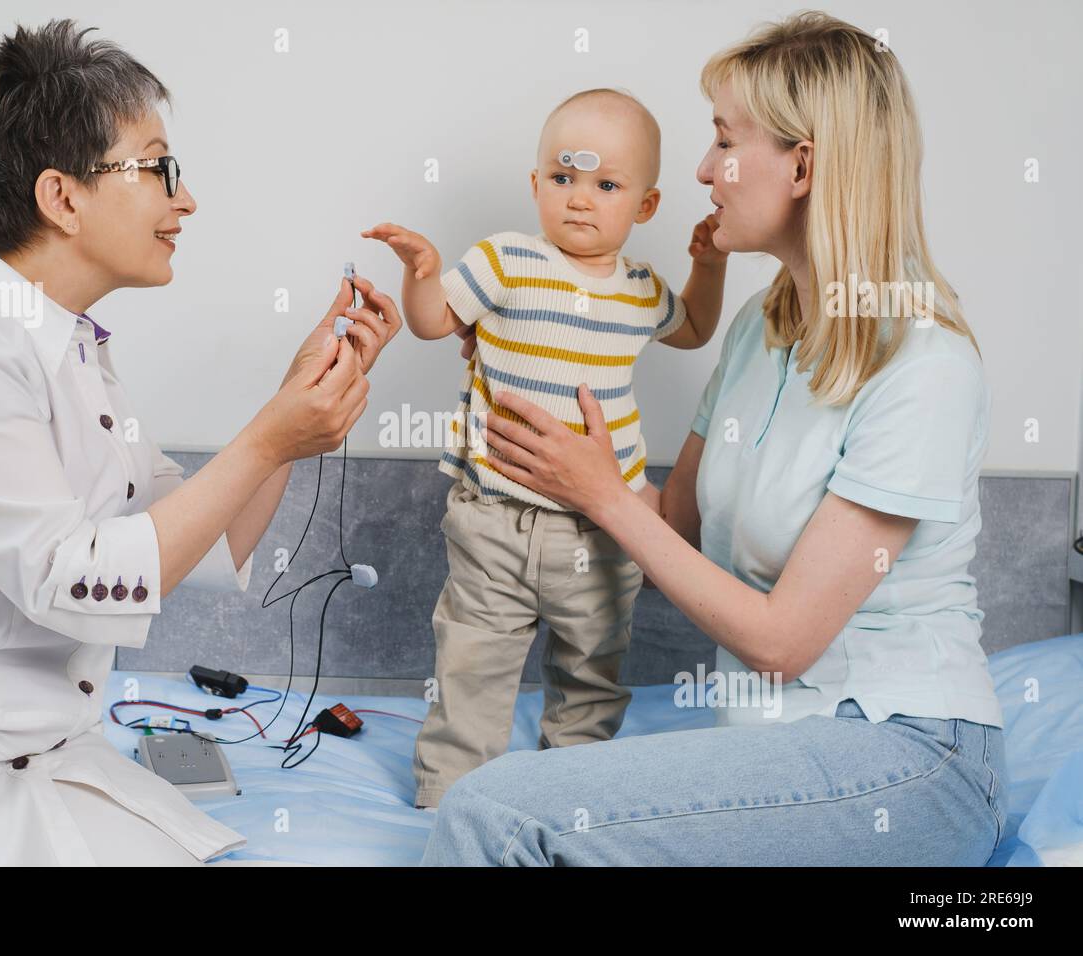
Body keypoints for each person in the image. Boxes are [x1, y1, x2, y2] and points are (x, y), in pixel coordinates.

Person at [0, 19, 401, 866]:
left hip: (24, 758)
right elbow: (74, 584)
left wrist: (289, 415)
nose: (185, 200)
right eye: (158, 168)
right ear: (62, 196)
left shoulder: (66, 344)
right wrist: (269, 438)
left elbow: (198, 541)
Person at [420, 10, 1008, 866]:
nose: (702, 170)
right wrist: (539, 426)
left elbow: (780, 643)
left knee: (499, 813)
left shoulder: (924, 362)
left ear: (803, 165)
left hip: (904, 752)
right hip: (780, 748)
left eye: (724, 142)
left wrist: (601, 495)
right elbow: (675, 527)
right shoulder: (760, 332)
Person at [363, 87, 727, 808]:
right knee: (471, 665)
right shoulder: (505, 262)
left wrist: (708, 269)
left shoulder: (640, 291)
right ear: (536, 186)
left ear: (645, 207)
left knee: (592, 674)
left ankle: (568, 797)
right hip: (495, 520)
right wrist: (421, 272)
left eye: (606, 185)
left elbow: (693, 332)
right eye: (562, 178)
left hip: (602, 528)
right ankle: (449, 802)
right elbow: (435, 321)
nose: (580, 200)